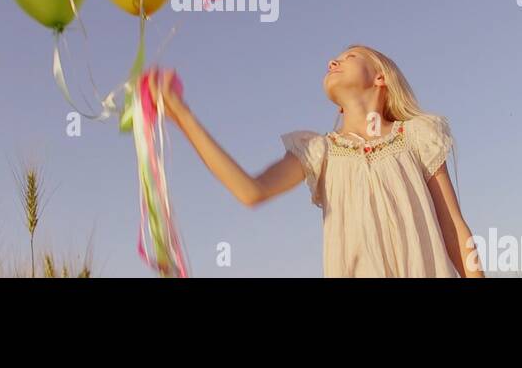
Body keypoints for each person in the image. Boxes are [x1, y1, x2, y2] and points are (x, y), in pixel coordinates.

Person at [153, 44, 484, 277]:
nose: (332, 62)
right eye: (334, 60)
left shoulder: (417, 137)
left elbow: (453, 226)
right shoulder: (318, 150)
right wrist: (182, 115)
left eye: (349, 57)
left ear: (380, 77)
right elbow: (250, 190)